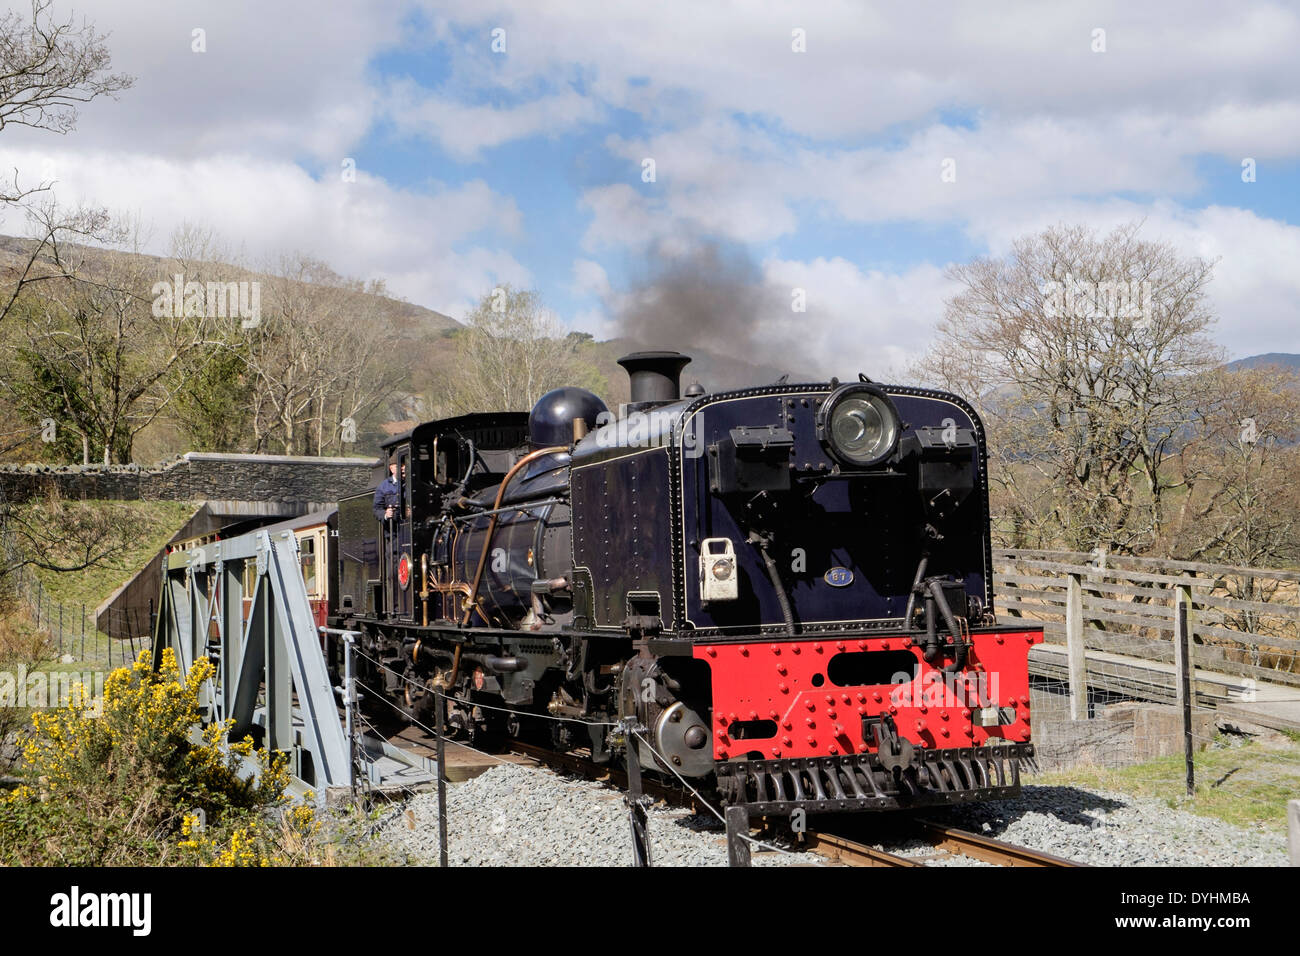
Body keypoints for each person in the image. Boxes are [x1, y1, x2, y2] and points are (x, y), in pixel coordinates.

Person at [372, 456, 400, 522]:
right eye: (398, 466)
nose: (402, 468)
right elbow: (376, 509)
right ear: (391, 469)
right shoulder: (383, 486)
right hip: (394, 526)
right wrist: (386, 515)